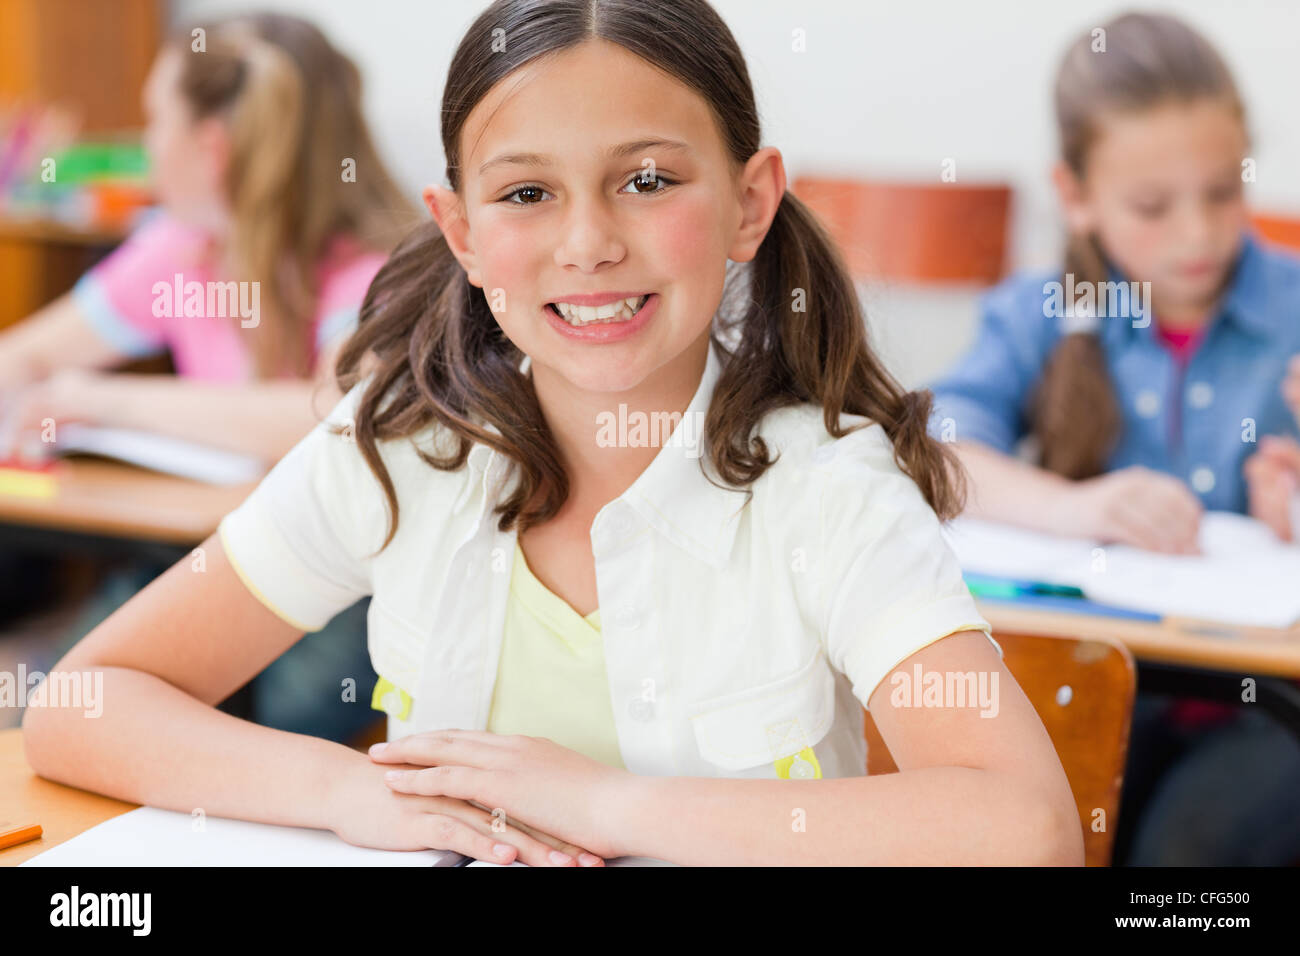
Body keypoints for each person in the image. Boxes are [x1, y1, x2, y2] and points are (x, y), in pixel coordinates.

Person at [24, 0, 1082, 867]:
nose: (587, 243)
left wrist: (611, 806)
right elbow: (82, 700)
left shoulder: (825, 488)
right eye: (527, 193)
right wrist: (348, 787)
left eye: (648, 181)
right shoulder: (401, 443)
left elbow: (1020, 822)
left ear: (749, 203)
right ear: (463, 233)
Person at [928, 12, 1300, 865]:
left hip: (1258, 712)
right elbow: (940, 447)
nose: (1200, 235)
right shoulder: (1040, 313)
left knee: (1181, 861)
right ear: (1077, 194)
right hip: (1079, 693)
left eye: (1223, 193)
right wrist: (1073, 507)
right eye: (1152, 207)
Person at [0, 13, 418, 743]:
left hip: (351, 585)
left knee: (281, 711)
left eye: (155, 119)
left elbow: (325, 415)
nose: (144, 143)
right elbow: (27, 354)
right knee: (75, 695)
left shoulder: (379, 268)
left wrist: (105, 399)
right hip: (202, 557)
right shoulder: (181, 247)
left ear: (211, 147)